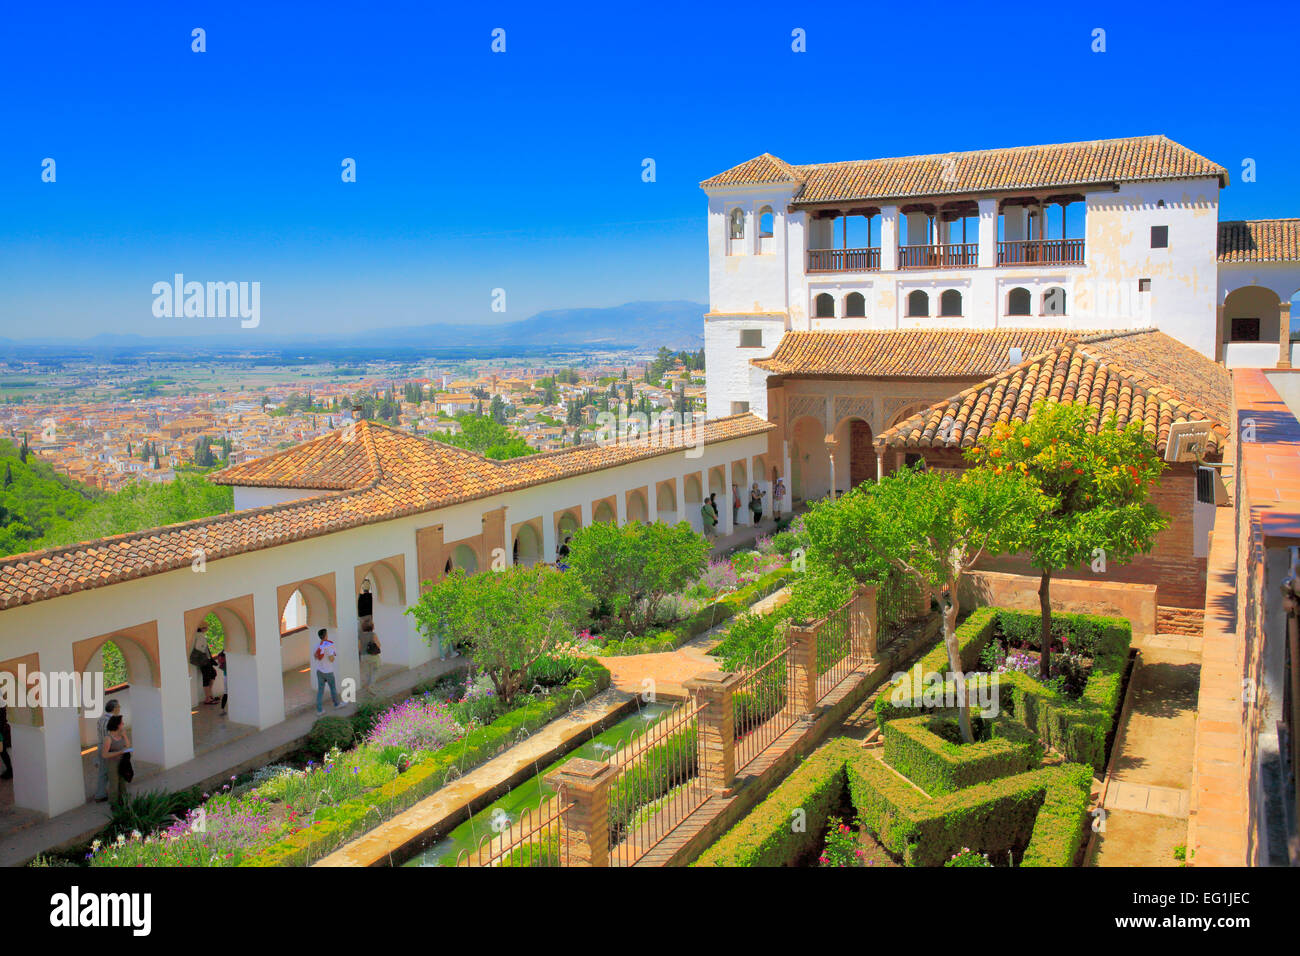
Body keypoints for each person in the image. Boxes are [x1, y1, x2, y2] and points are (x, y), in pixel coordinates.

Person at [93, 699, 121, 801]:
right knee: (114, 771)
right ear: (114, 709)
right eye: (118, 707)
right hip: (110, 747)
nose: (119, 709)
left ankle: (100, 794)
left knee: (102, 771)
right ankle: (116, 794)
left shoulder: (101, 719)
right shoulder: (113, 721)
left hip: (101, 746)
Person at [99, 714, 131, 803]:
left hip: (122, 762)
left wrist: (125, 736)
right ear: (117, 725)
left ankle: (123, 801)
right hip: (113, 764)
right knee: (114, 784)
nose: (123, 724)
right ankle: (114, 804)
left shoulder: (121, 735)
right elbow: (104, 755)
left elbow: (128, 746)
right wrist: (119, 752)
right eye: (121, 723)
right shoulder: (108, 738)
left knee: (122, 783)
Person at [313, 628, 341, 714]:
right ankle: (337, 704)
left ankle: (319, 710)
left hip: (319, 671)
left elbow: (315, 656)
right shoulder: (328, 645)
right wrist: (332, 655)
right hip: (328, 671)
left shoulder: (317, 645)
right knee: (333, 688)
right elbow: (331, 659)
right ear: (325, 635)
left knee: (320, 691)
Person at [192, 623, 219, 705]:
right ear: (203, 628)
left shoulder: (199, 635)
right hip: (204, 660)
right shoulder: (200, 636)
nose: (207, 629)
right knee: (207, 677)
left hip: (205, 660)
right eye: (206, 627)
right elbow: (199, 648)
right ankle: (208, 698)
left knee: (213, 674)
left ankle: (209, 695)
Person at [0, 706, 12, 782]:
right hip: (3, 732)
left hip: (2, 733)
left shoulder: (2, 709)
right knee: (3, 752)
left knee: (3, 752)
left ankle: (9, 770)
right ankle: (9, 770)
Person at [215, 652, 228, 716]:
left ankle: (222, 709)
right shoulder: (227, 656)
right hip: (230, 677)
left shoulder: (222, 657)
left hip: (226, 677)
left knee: (226, 693)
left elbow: (220, 667)